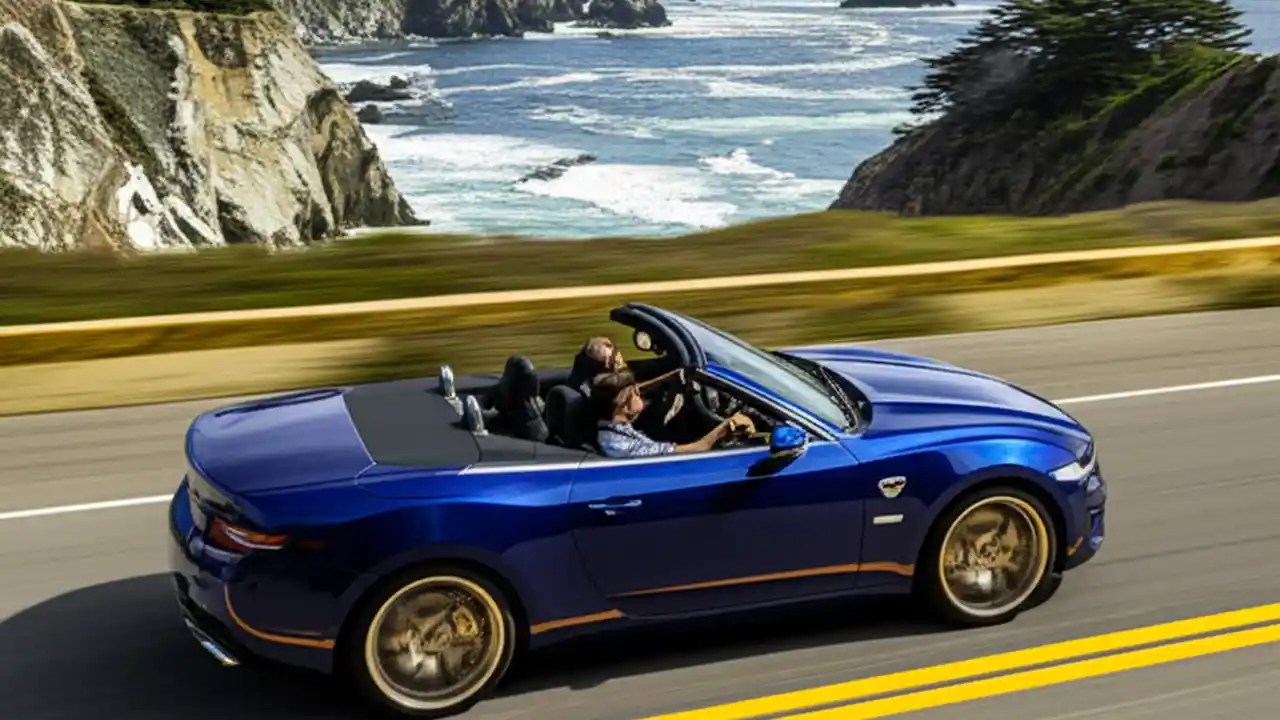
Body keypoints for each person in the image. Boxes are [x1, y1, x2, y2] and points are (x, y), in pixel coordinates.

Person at [592, 372, 754, 458]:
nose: (640, 393)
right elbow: (694, 450)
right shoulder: (621, 446)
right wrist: (724, 428)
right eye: (635, 393)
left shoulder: (614, 428)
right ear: (623, 405)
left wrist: (674, 376)